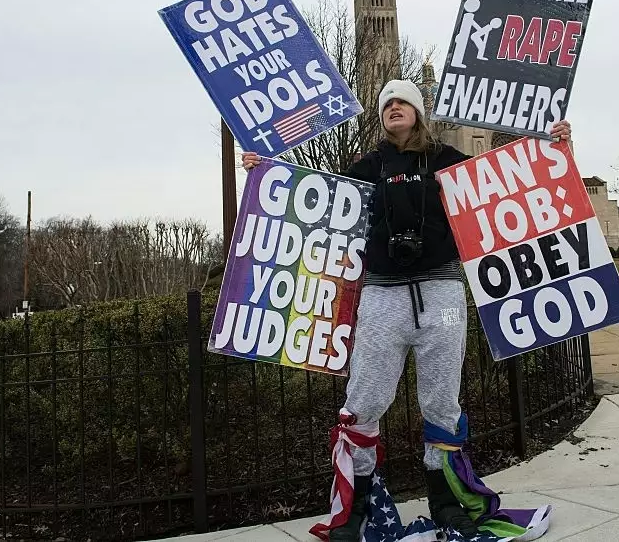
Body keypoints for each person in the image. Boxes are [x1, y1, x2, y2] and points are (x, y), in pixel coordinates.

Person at [242, 80, 572, 541]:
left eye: (404, 102)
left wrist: (554, 146)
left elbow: (507, 184)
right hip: (381, 295)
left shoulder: (446, 162)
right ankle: (354, 511)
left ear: (418, 111)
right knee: (364, 402)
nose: (395, 107)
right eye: (387, 104)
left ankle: (446, 502)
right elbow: (313, 203)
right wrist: (265, 172)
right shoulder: (366, 167)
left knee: (441, 401)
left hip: (442, 295)